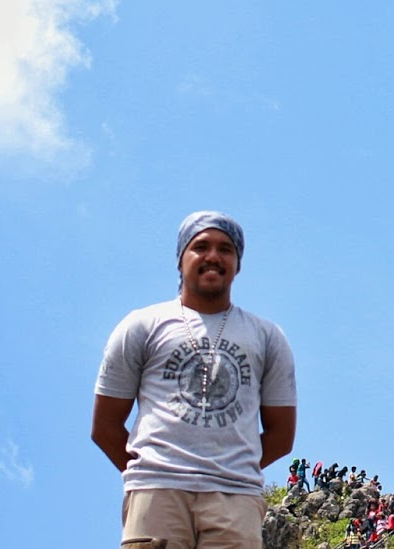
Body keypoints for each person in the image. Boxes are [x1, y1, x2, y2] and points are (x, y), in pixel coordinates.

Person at [92, 211, 298, 549]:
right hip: (157, 493)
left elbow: (281, 434)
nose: (213, 256)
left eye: (226, 249)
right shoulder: (141, 325)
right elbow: (105, 426)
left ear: (238, 263)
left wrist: (229, 467)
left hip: (236, 499)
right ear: (181, 258)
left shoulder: (267, 337)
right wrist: (152, 471)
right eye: (200, 246)